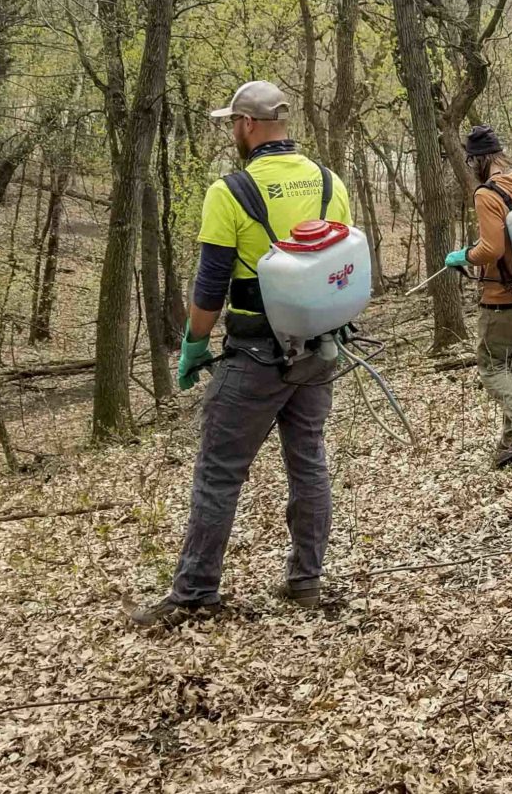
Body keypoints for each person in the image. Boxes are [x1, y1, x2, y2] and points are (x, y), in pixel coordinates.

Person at [130, 80, 350, 628]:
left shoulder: (229, 192)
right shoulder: (330, 183)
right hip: (319, 353)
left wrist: (194, 343)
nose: (233, 130)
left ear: (248, 125)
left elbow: (210, 285)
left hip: (254, 355)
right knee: (309, 463)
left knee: (218, 473)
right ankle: (305, 582)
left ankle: (195, 592)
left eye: (233, 122)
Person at [444, 125, 512, 467]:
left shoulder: (487, 194)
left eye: (469, 159)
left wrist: (464, 256)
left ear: (477, 160)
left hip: (504, 297)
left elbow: (491, 248)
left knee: (490, 366)